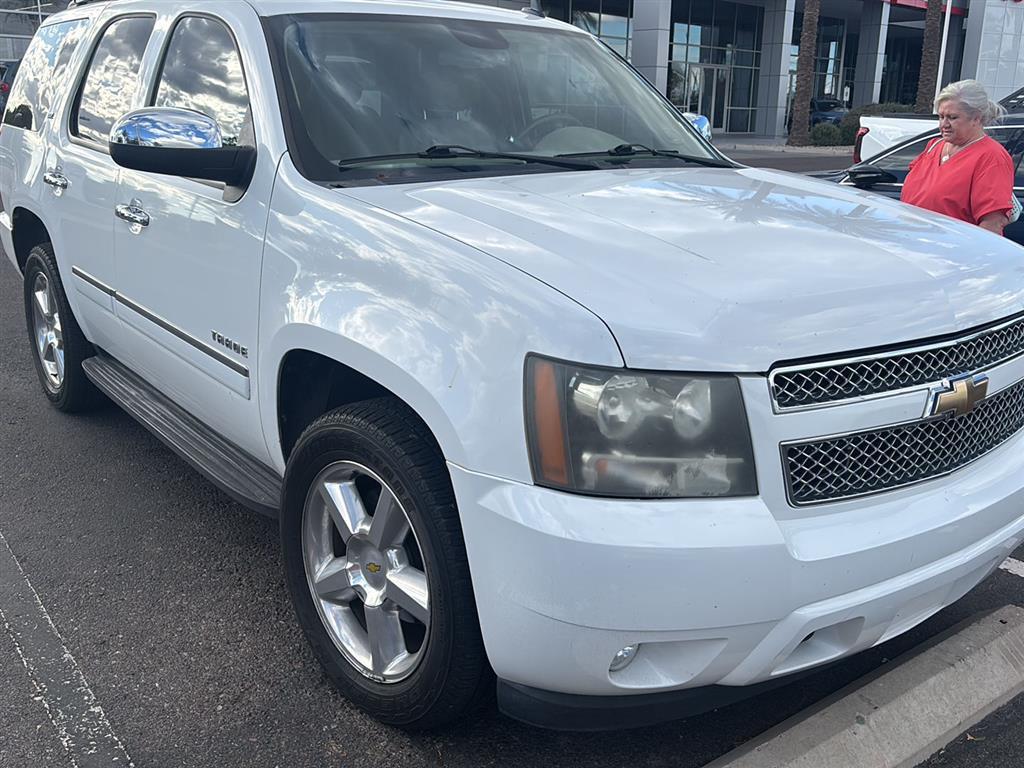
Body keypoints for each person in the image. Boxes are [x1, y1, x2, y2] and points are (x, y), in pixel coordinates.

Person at [900, 80, 1015, 236]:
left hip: (951, 252)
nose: (944, 124)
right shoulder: (935, 145)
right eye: (941, 117)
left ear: (977, 118)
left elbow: (992, 223)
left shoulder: (991, 157)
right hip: (912, 242)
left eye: (952, 117)